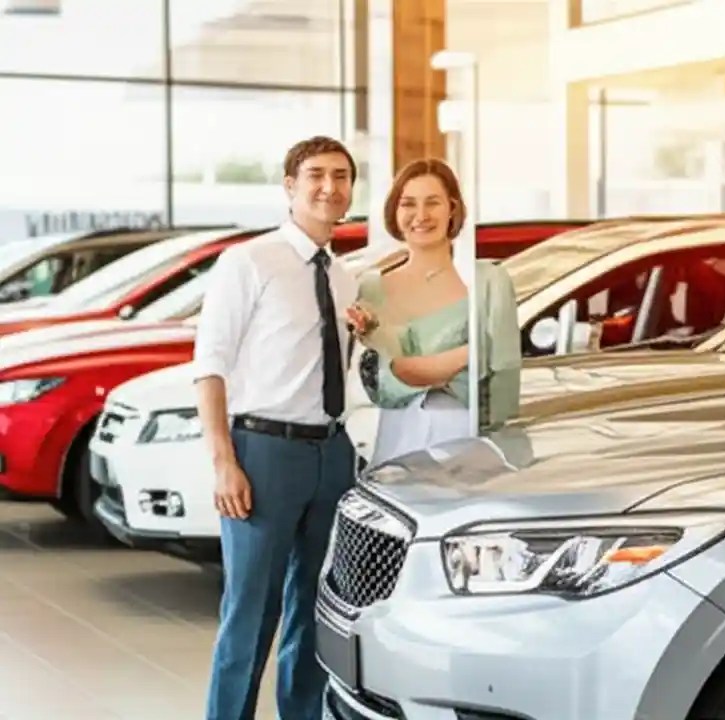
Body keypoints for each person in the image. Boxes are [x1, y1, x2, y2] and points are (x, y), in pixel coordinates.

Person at [193, 135, 360, 720]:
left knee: (315, 611)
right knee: (249, 613)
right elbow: (209, 366)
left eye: (341, 177)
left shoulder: (346, 277)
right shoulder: (249, 261)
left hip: (331, 456)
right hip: (263, 452)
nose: (329, 187)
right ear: (290, 186)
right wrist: (223, 461)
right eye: (315, 174)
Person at [346, 158, 520, 466]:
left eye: (433, 203)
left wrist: (416, 367)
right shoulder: (371, 287)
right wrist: (468, 355)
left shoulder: (489, 281)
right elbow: (382, 385)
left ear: (452, 208)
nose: (421, 216)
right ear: (394, 212)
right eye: (409, 204)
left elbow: (502, 391)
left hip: (471, 448)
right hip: (397, 443)